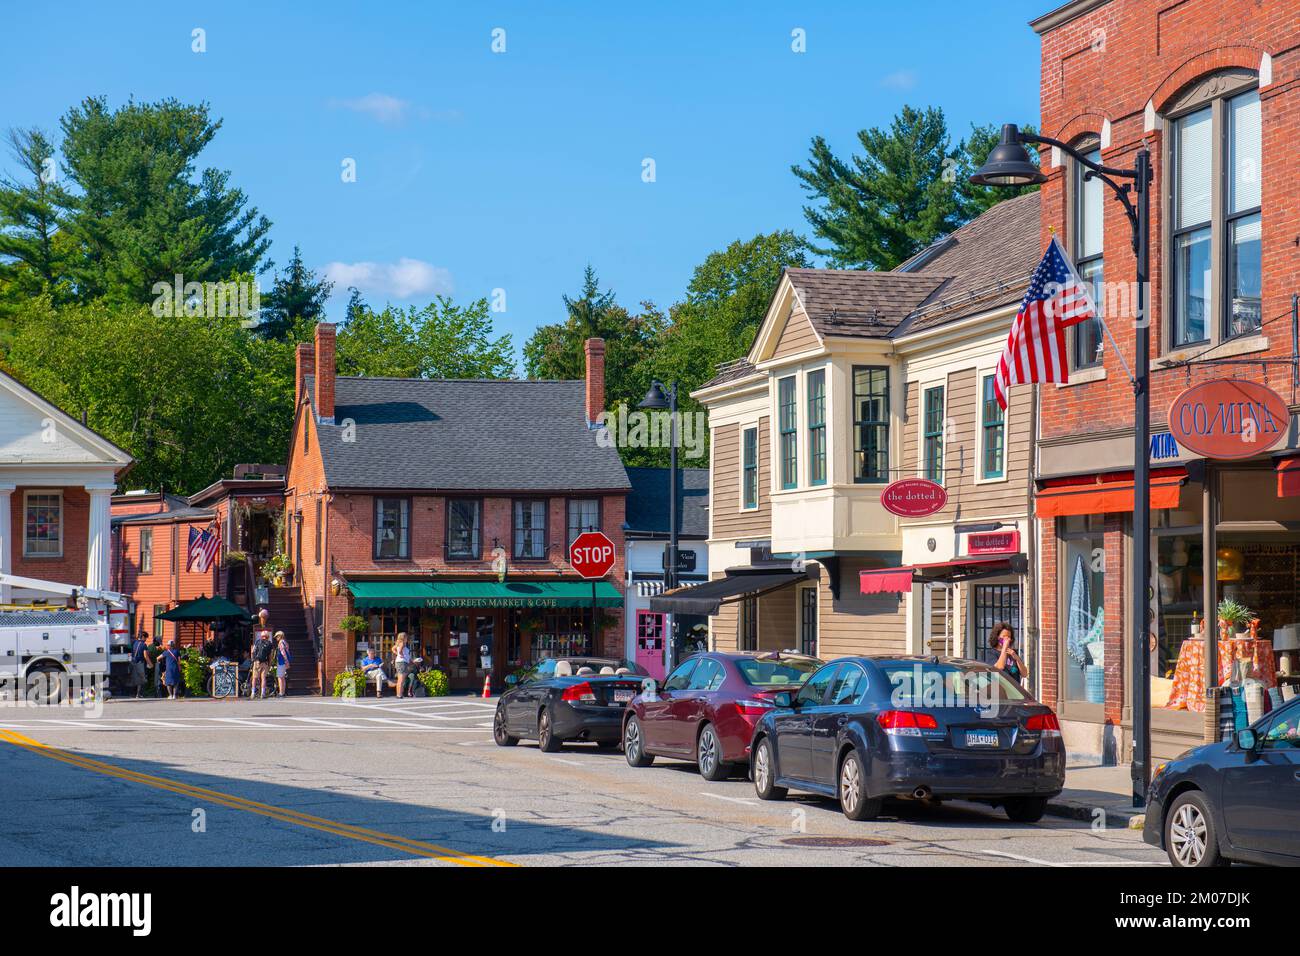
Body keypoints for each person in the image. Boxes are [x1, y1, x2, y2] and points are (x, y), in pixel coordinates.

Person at [992, 622, 1030, 686]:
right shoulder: (992, 653)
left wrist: (1017, 658)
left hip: (1014, 690)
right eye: (1004, 636)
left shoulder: (1013, 652)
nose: (1007, 639)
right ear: (998, 637)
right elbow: (999, 667)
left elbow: (1024, 674)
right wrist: (1004, 647)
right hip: (1001, 690)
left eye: (1009, 637)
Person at [250, 628, 274, 700]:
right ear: (267, 637)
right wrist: (269, 664)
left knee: (254, 678)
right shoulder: (270, 644)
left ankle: (253, 693)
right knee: (263, 678)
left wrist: (253, 660)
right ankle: (262, 693)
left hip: (257, 662)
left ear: (261, 636)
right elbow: (270, 656)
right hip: (265, 662)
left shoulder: (257, 642)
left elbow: (252, 651)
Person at [129, 630, 149, 699]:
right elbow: (145, 656)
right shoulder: (143, 644)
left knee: (135, 678)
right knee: (142, 679)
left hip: (133, 662)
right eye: (146, 637)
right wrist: (150, 664)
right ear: (143, 637)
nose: (146, 639)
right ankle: (139, 694)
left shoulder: (135, 643)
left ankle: (133, 694)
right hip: (140, 663)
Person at [392, 633, 411, 698]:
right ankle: (399, 694)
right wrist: (400, 653)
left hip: (400, 662)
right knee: (401, 679)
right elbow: (400, 650)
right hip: (402, 662)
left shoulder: (398, 643)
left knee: (400, 679)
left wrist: (397, 653)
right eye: (406, 637)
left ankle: (399, 694)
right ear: (404, 637)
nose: (407, 638)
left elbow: (393, 649)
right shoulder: (402, 643)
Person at [275, 630, 291, 697]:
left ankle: (281, 693)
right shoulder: (285, 642)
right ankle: (283, 692)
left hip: (282, 661)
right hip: (284, 661)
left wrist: (285, 660)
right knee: (283, 677)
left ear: (280, 636)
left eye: (277, 636)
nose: (276, 638)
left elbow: (283, 652)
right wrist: (287, 661)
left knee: (280, 677)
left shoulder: (281, 643)